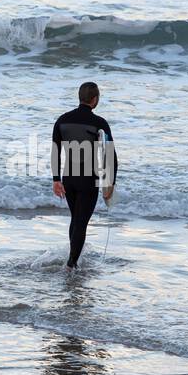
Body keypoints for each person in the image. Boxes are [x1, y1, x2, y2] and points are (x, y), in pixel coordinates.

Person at [51, 81, 117, 268]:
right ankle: (71, 265)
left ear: (80, 97)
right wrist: (110, 182)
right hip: (88, 180)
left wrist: (56, 179)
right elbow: (110, 154)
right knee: (81, 222)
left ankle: (73, 261)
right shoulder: (99, 123)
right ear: (95, 99)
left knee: (76, 218)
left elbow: (55, 151)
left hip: (68, 178)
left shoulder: (62, 120)